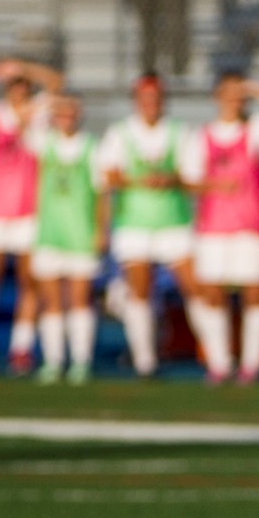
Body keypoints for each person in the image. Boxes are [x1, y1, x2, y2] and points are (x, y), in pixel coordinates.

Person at [182, 74, 259, 384]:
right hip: (213, 229)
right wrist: (216, 184)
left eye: (238, 93)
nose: (234, 99)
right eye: (228, 92)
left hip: (250, 227)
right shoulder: (202, 136)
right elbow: (190, 179)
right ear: (217, 96)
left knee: (255, 295)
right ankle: (219, 362)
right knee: (213, 295)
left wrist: (255, 87)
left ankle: (251, 363)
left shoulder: (254, 130)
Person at [98, 74, 205, 378]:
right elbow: (107, 176)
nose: (150, 103)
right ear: (136, 100)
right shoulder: (120, 133)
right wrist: (138, 181)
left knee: (195, 288)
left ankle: (217, 359)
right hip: (134, 223)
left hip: (174, 222)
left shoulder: (179, 132)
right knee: (140, 290)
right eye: (144, 97)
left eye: (155, 97)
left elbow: (193, 177)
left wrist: (169, 180)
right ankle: (146, 361)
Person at [0, 58, 61, 378]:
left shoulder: (39, 114)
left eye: (23, 84)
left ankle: (21, 349)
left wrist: (22, 66)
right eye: (14, 83)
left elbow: (57, 82)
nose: (19, 89)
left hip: (29, 211)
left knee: (28, 282)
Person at [28, 92, 102, 385]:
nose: (66, 118)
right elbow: (27, 118)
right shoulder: (45, 143)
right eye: (61, 113)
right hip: (49, 233)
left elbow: (102, 192)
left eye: (72, 113)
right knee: (51, 301)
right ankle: (53, 361)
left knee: (80, 300)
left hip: (81, 234)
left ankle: (81, 361)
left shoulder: (91, 147)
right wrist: (52, 98)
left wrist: (100, 229)